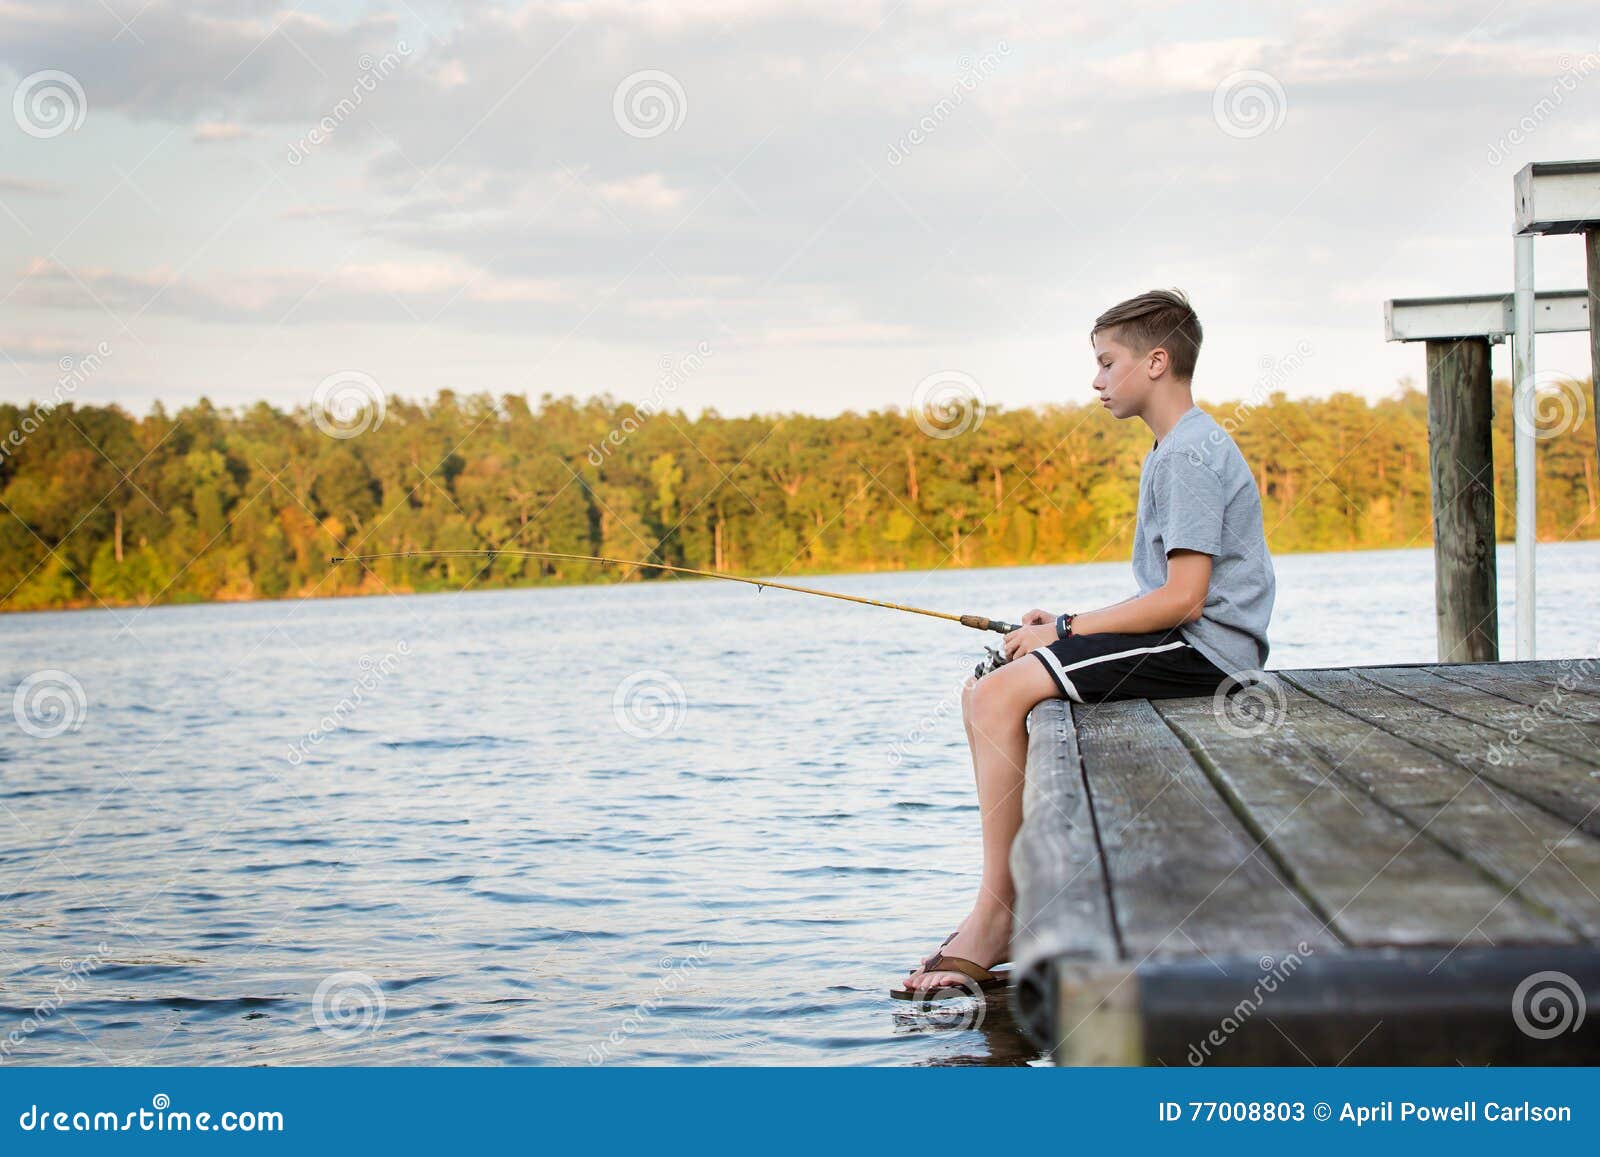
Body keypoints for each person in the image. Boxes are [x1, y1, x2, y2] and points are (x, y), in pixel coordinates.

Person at [892, 288, 1276, 1000]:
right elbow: (1165, 593)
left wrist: (1064, 631)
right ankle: (999, 906)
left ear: (1156, 362)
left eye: (1107, 363)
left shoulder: (1190, 453)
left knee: (998, 692)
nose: (1096, 381)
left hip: (1206, 654)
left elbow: (1185, 596)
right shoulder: (1178, 448)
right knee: (988, 685)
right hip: (1185, 639)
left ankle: (999, 914)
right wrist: (1059, 622)